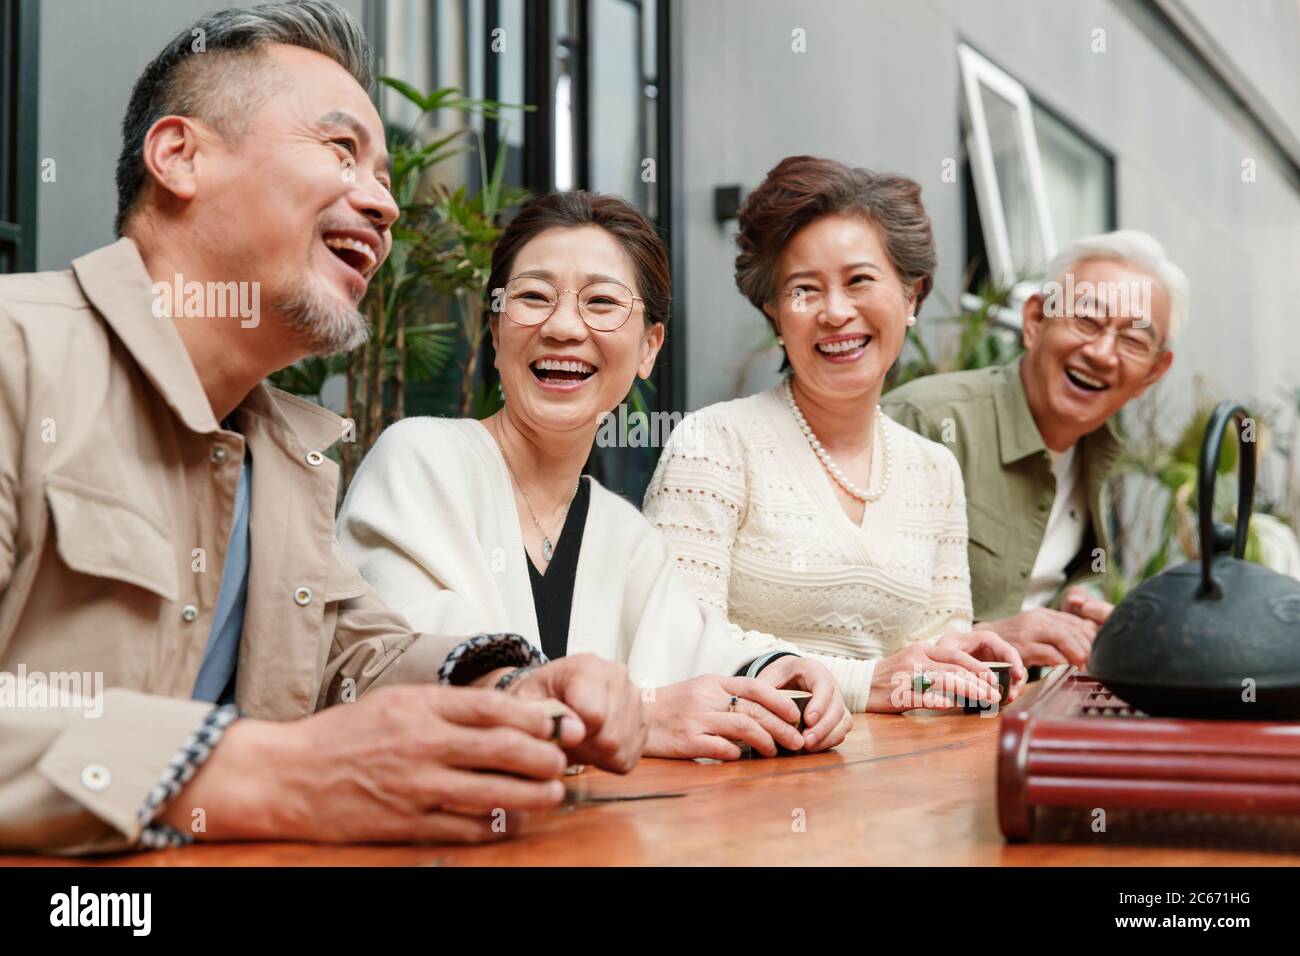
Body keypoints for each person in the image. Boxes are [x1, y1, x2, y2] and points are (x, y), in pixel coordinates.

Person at [0, 0, 644, 856]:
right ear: (180, 156)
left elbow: (353, 655)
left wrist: (508, 690)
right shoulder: (18, 356)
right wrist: (262, 775)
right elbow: (289, 759)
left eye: (384, 175)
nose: (383, 204)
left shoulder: (283, 448)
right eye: (342, 151)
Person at [338, 190, 854, 760]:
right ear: (495, 330)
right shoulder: (419, 460)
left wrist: (784, 674)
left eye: (602, 303)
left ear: (648, 348)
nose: (562, 327)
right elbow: (405, 663)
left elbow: (697, 649)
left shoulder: (623, 534)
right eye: (532, 296)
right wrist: (646, 713)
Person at [643, 155, 1025, 713]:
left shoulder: (933, 467)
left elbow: (929, 649)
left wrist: (960, 659)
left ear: (911, 295)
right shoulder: (715, 442)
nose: (836, 312)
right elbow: (676, 637)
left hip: (896, 774)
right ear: (774, 310)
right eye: (804, 290)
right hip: (745, 773)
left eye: (860, 280)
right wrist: (866, 681)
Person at [883, 230, 1184, 670]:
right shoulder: (926, 422)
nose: (1102, 353)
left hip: (1029, 709)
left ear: (1152, 374)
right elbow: (848, 624)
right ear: (1035, 321)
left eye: (1133, 341)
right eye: (1086, 320)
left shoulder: (1099, 453)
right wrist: (987, 637)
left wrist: (1091, 623)